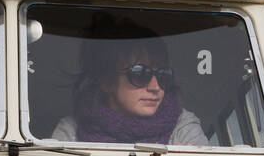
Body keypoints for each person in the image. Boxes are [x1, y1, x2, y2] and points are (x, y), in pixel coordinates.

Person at [51, 16, 211, 146]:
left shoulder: (182, 124)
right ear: (106, 81)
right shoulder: (72, 131)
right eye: (140, 74)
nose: (156, 87)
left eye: (163, 75)